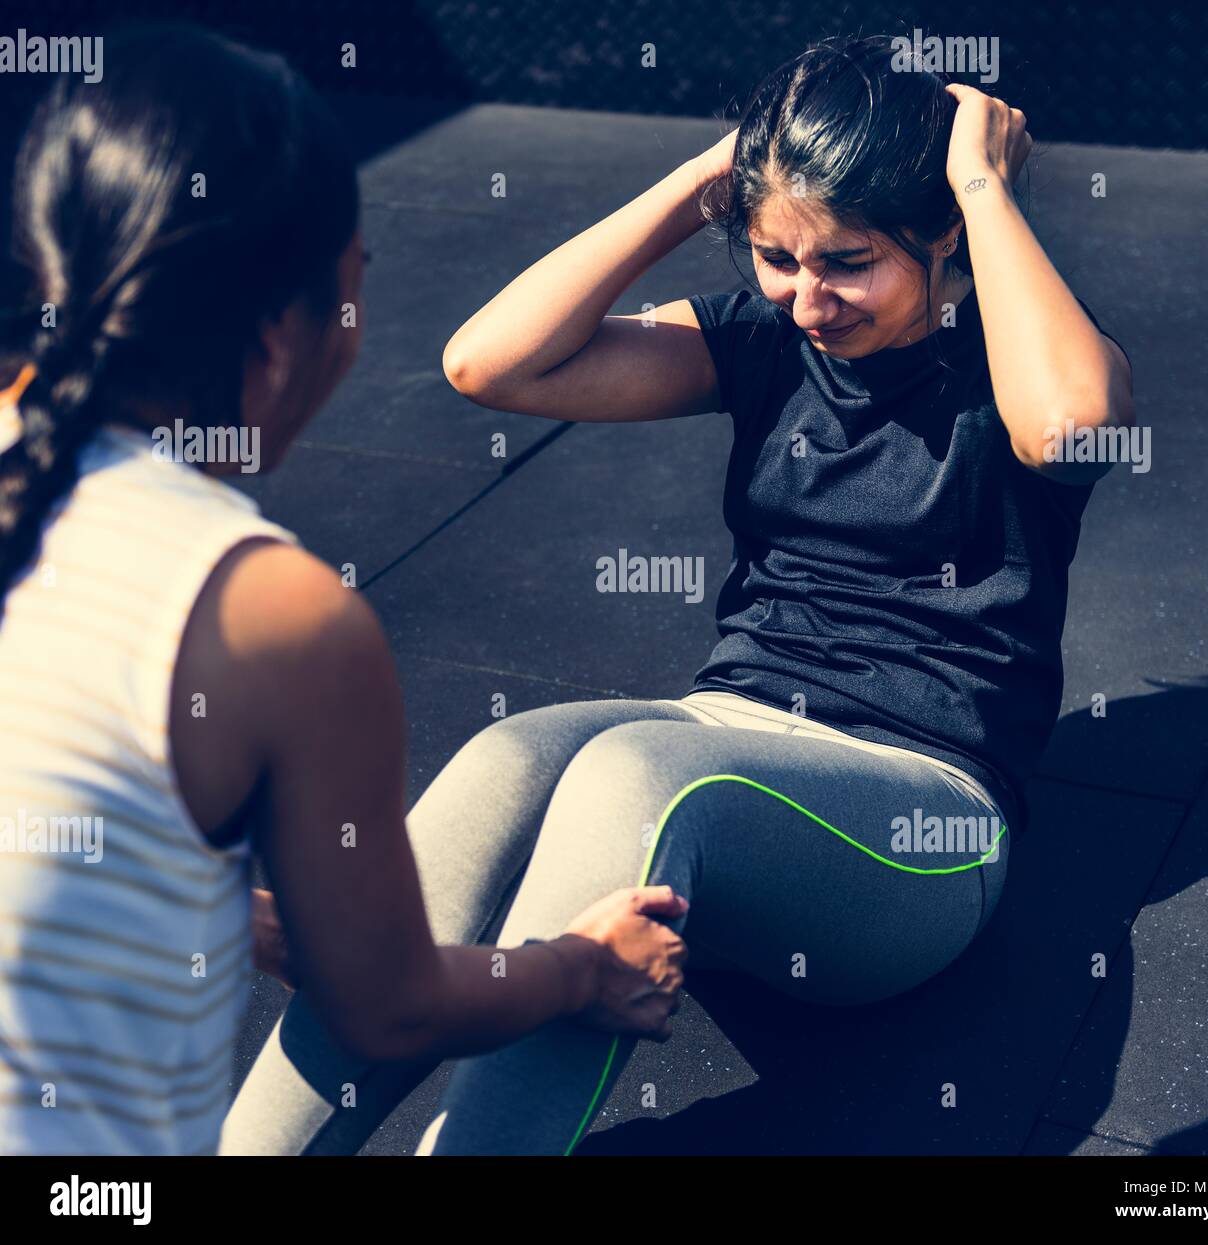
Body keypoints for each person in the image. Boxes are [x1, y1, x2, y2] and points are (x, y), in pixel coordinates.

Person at [224, 33, 1134, 1156]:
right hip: (730, 741)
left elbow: (1075, 429)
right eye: (776, 257)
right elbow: (487, 365)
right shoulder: (760, 344)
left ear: (942, 230)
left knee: (638, 776)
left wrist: (983, 180)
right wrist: (705, 183)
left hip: (919, 815)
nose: (809, 300)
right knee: (509, 760)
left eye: (849, 261)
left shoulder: (1017, 358)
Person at [0, 22, 686, 1157]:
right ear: (280, 334)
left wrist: (235, 913)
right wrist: (579, 967)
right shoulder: (276, 618)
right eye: (354, 293)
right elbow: (392, 1008)